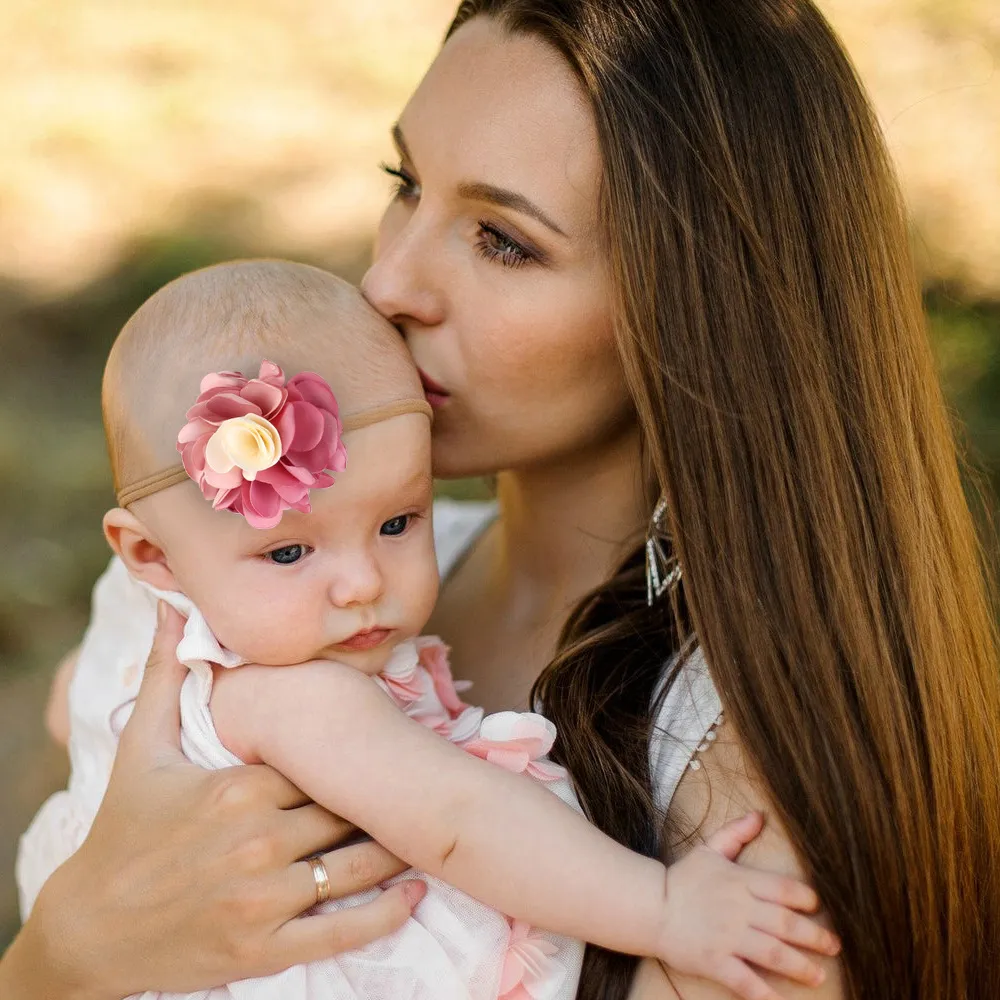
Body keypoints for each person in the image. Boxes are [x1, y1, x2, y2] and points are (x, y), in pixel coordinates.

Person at [3, 1, 999, 998]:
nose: (388, 283)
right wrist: (61, 954)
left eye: (502, 241)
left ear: (695, 306)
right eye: (404, 185)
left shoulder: (745, 782)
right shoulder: (289, 585)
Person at [17, 258, 836, 1000]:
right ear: (150, 553)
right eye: (291, 550)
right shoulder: (293, 698)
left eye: (399, 522)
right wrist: (662, 911)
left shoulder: (146, 624)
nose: (365, 582)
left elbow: (72, 707)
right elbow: (457, 822)